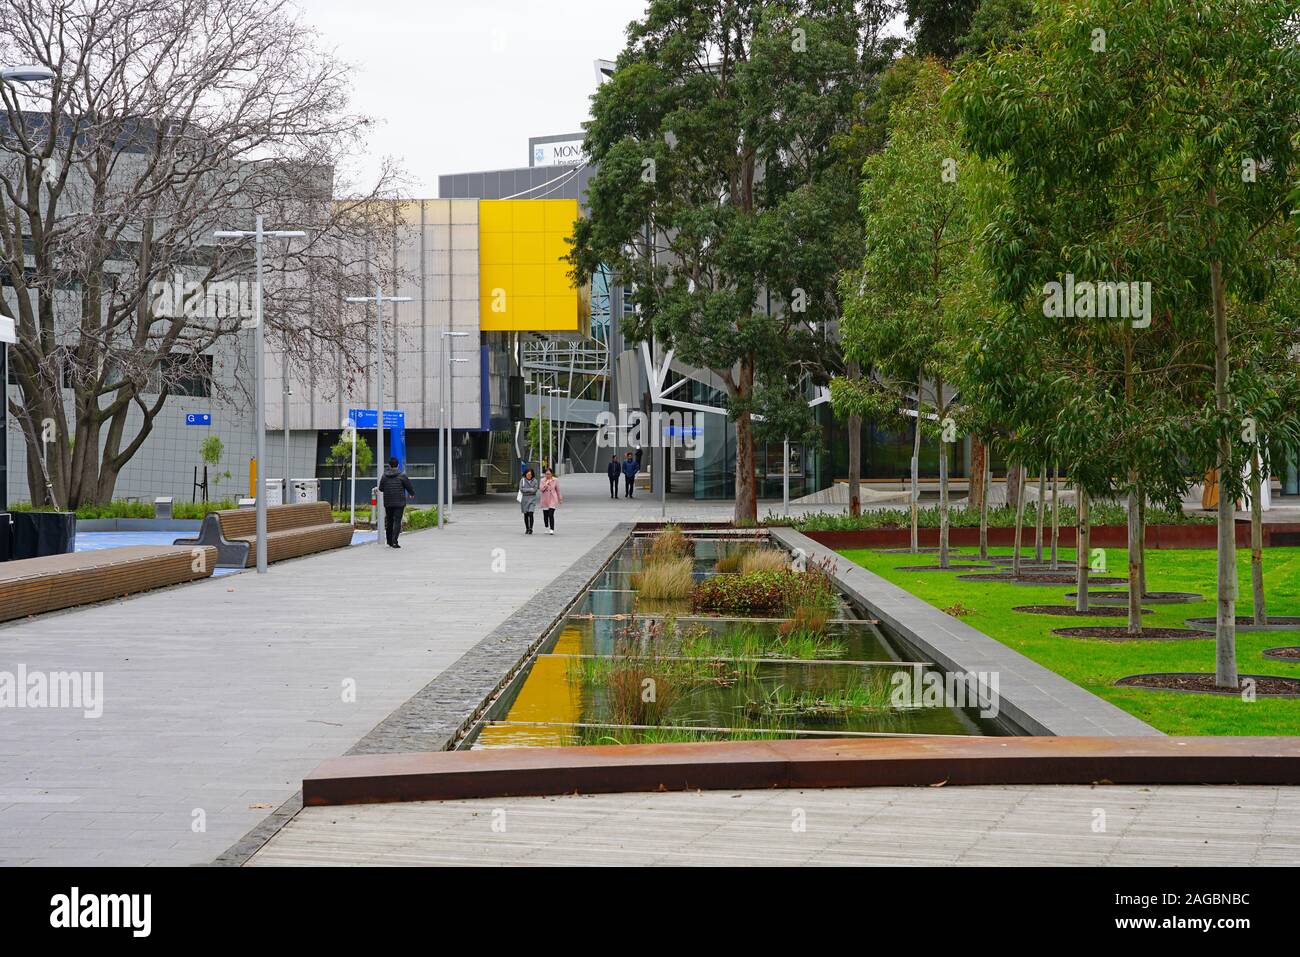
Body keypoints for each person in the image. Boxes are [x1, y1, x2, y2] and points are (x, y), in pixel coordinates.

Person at [378, 456, 416, 548]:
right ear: (398, 465)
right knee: (397, 521)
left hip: (388, 502)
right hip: (399, 502)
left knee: (389, 521)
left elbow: (380, 488)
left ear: (389, 465)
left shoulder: (384, 476)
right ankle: (395, 541)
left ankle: (389, 541)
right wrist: (412, 493)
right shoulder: (402, 475)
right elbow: (408, 486)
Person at [539, 468, 563, 534]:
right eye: (546, 474)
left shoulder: (555, 480)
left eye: (549, 474)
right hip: (545, 499)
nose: (548, 475)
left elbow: (558, 490)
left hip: (552, 498)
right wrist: (545, 485)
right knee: (545, 515)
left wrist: (560, 498)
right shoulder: (542, 480)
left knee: (551, 514)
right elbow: (541, 489)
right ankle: (546, 527)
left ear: (551, 474)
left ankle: (552, 529)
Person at [519, 467, 540, 534]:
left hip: (532, 499)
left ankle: (531, 528)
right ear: (525, 474)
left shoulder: (535, 480)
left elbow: (535, 490)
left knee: (531, 513)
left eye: (530, 474)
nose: (529, 476)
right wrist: (530, 489)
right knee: (526, 514)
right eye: (528, 474)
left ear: (532, 475)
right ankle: (527, 528)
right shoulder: (522, 480)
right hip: (524, 499)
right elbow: (521, 489)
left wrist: (527, 489)